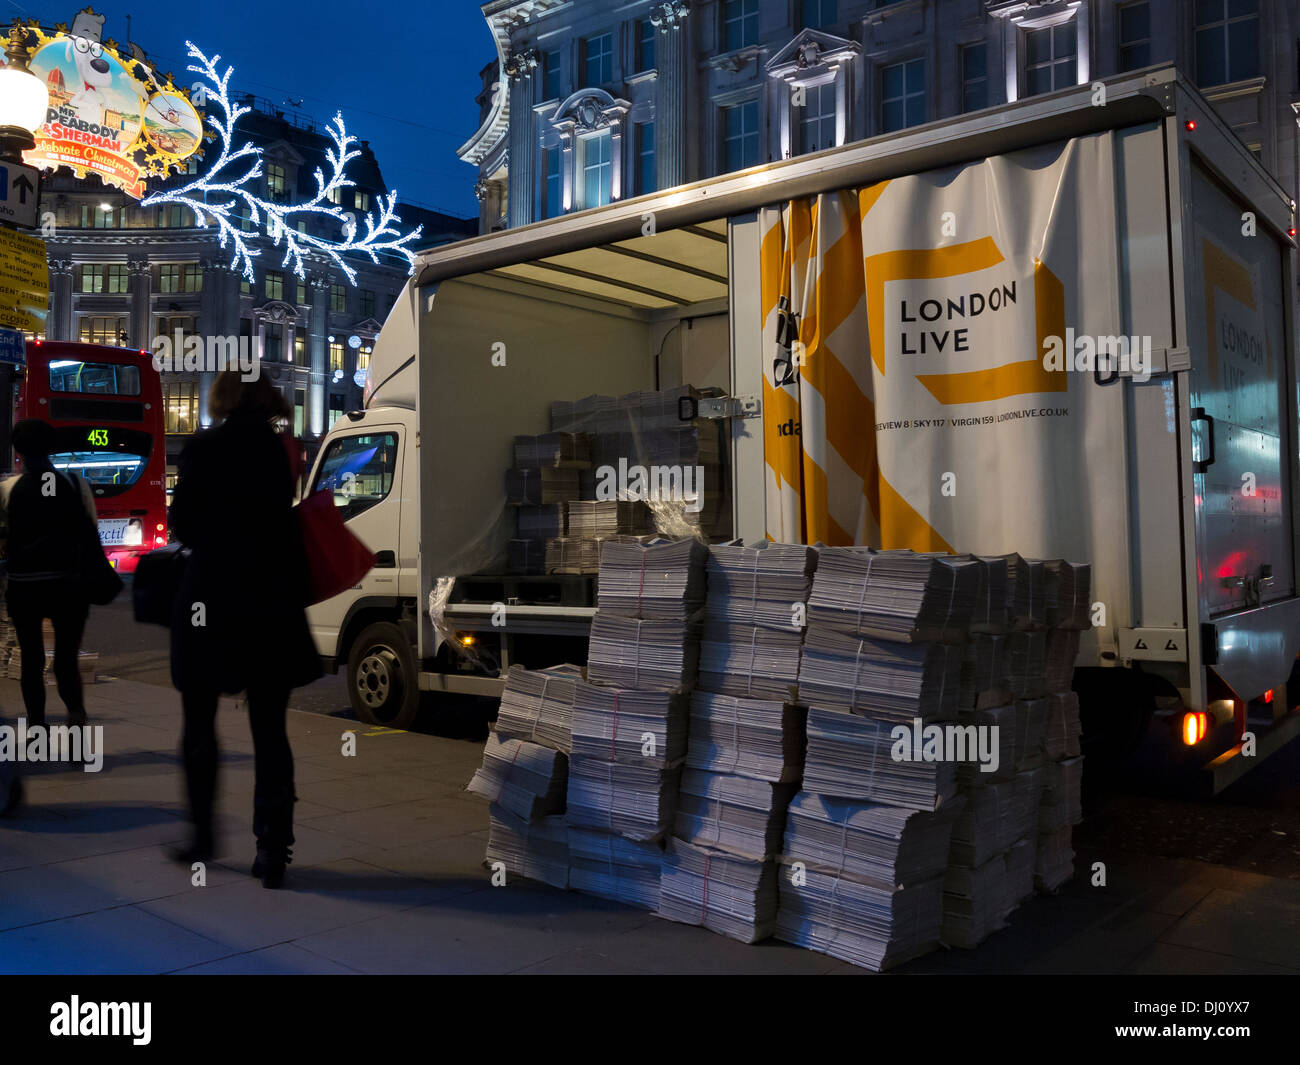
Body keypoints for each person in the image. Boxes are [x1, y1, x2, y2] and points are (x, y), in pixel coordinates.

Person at [168, 371, 321, 887]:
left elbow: (182, 524)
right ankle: (273, 850)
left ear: (222, 401)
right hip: (269, 601)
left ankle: (202, 836)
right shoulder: (281, 452)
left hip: (210, 598)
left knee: (199, 723)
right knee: (271, 732)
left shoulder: (205, 447)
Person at [0, 419, 97, 730]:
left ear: (18, 451)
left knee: (32, 660)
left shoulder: (7, 488)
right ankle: (77, 716)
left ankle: (37, 728)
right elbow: (90, 531)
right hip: (68, 586)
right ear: (53, 448)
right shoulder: (74, 483)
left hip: (24, 587)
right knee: (67, 660)